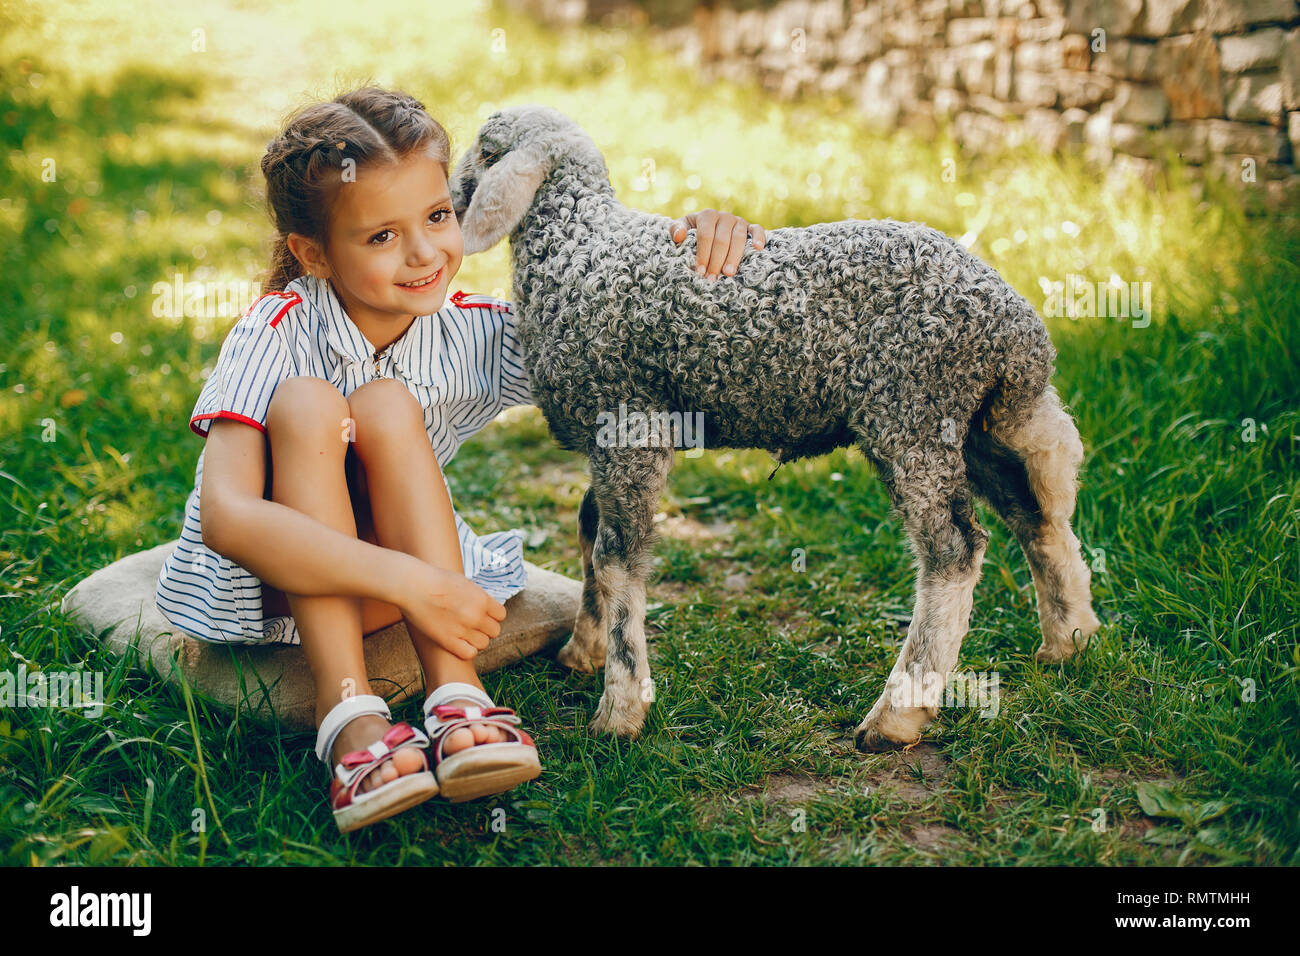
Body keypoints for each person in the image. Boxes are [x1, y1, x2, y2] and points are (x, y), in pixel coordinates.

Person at [154, 85, 767, 832]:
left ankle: (456, 696)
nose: (424, 254)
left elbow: (609, 334)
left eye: (438, 216)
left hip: (397, 588)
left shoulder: (471, 329)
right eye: (381, 237)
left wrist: (701, 239)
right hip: (273, 591)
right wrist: (414, 581)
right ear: (311, 254)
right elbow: (228, 516)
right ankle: (350, 719)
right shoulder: (274, 329)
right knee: (313, 403)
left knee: (383, 404)